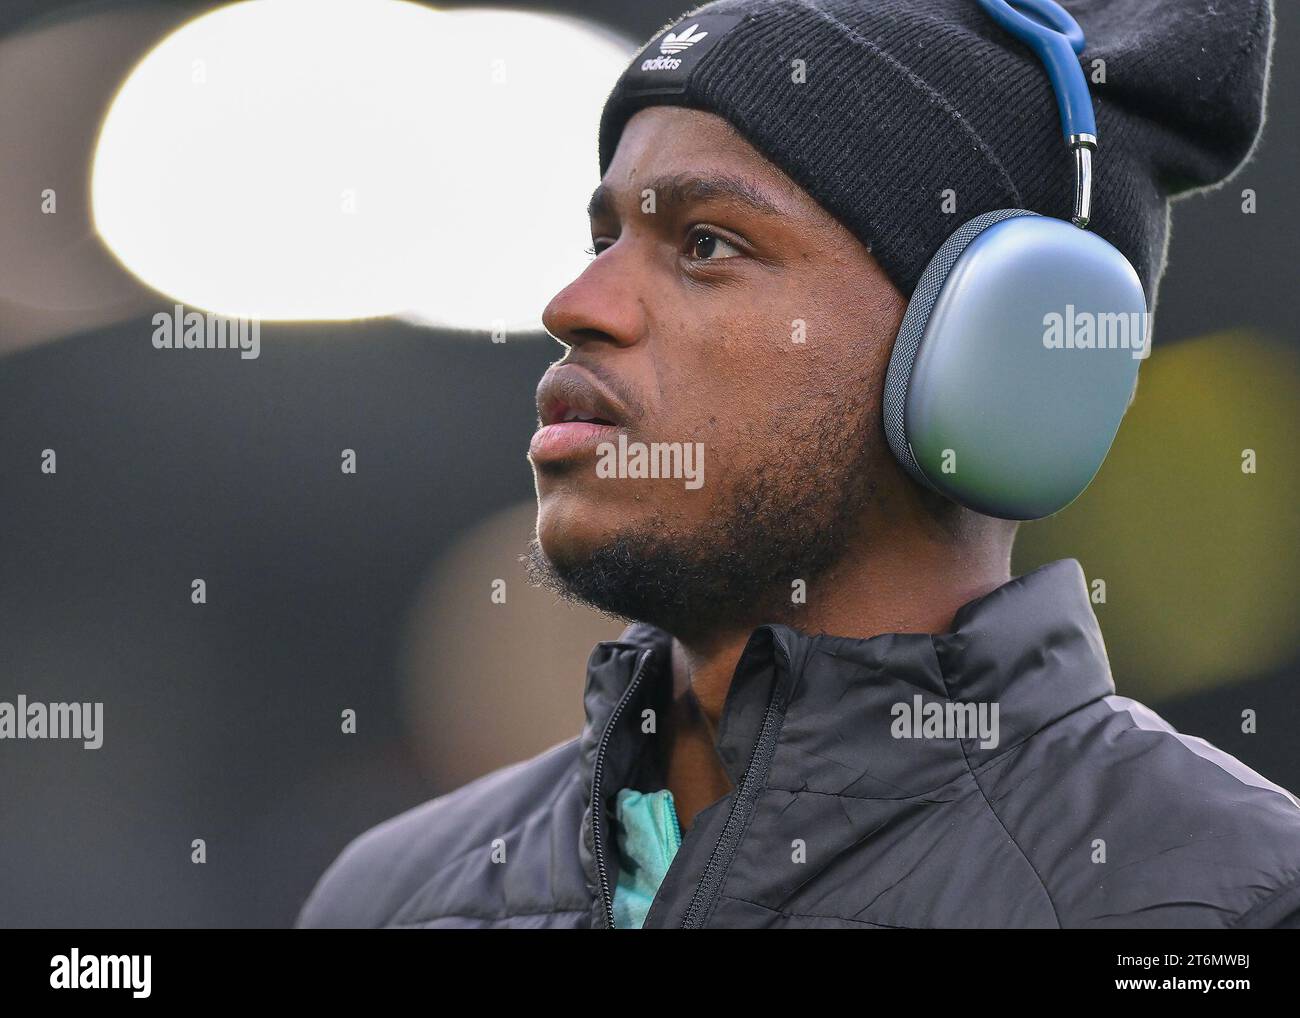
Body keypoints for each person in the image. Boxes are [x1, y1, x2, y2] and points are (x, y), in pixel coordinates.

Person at [297, 0, 1300, 928]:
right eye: (602, 238)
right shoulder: (389, 897)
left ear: (993, 350)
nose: (573, 303)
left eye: (704, 242)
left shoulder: (1225, 900)